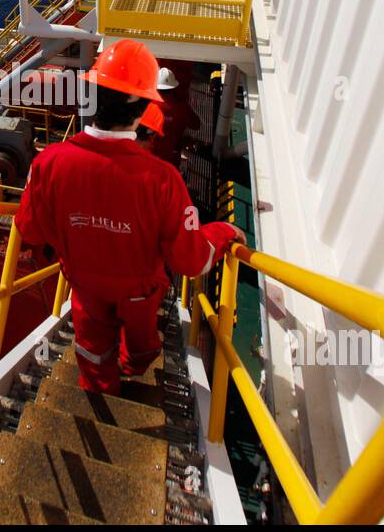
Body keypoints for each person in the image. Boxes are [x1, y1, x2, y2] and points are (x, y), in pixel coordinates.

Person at [15, 39, 242, 395]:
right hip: (139, 293)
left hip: (85, 287)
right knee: (141, 343)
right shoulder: (162, 180)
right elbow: (191, 260)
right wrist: (222, 232)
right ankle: (133, 371)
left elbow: (29, 229)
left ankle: (99, 390)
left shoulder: (48, 163)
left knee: (91, 348)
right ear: (141, 104)